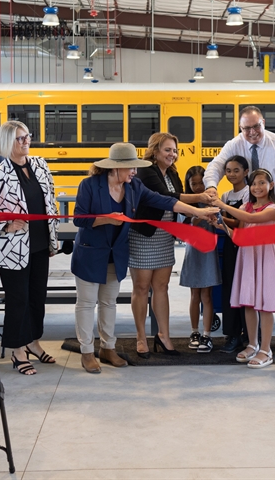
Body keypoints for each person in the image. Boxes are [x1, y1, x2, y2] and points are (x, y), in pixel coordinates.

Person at [71, 143, 218, 374]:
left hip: (115, 254)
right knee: (87, 303)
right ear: (116, 167)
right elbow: (79, 219)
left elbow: (165, 200)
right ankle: (87, 352)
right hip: (91, 253)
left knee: (108, 303)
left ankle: (108, 348)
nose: (135, 172)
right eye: (131, 168)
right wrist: (107, 219)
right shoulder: (89, 185)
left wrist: (198, 211)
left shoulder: (134, 186)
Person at [203, 106, 275, 355]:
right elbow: (215, 167)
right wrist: (211, 187)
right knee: (250, 276)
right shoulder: (234, 144)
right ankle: (252, 337)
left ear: (263, 123)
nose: (251, 132)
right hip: (250, 216)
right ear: (240, 128)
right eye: (246, 128)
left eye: (256, 127)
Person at [0, 121, 59, 376]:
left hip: (40, 242)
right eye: (20, 138)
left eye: (27, 137)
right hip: (13, 247)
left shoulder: (40, 165)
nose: (26, 142)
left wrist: (52, 238)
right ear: (7, 142)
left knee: (37, 297)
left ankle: (33, 341)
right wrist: (6, 224)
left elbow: (50, 201)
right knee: (18, 300)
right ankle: (17, 350)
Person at [129, 132, 210, 357]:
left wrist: (201, 209)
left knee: (162, 287)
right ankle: (141, 338)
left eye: (175, 150)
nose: (172, 154)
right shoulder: (146, 170)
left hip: (165, 236)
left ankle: (164, 336)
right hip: (144, 236)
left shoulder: (172, 172)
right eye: (167, 150)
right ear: (155, 150)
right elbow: (167, 196)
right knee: (141, 287)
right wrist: (201, 198)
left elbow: (178, 197)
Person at [212, 169, 275, 369]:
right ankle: (252, 344)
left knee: (265, 305)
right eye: (254, 184)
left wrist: (221, 205)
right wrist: (221, 225)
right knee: (248, 303)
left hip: (265, 257)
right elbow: (239, 234)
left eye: (262, 183)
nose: (257, 187)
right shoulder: (246, 207)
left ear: (271, 185)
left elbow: (253, 219)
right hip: (246, 257)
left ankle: (266, 349)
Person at [179, 165, 221, 353]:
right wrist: (198, 214)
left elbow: (220, 222)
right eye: (193, 184)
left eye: (201, 183)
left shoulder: (214, 202)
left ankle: (206, 334)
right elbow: (184, 228)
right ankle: (194, 332)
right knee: (194, 294)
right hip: (193, 252)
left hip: (209, 252)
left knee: (207, 295)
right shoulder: (186, 206)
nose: (198, 187)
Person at [218, 155, 250, 354]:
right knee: (230, 288)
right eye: (228, 171)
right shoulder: (225, 195)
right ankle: (232, 335)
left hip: (247, 246)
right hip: (230, 245)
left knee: (246, 289)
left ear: (246, 172)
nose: (231, 174)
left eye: (236, 170)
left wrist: (220, 219)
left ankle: (249, 334)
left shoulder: (249, 193)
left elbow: (241, 222)